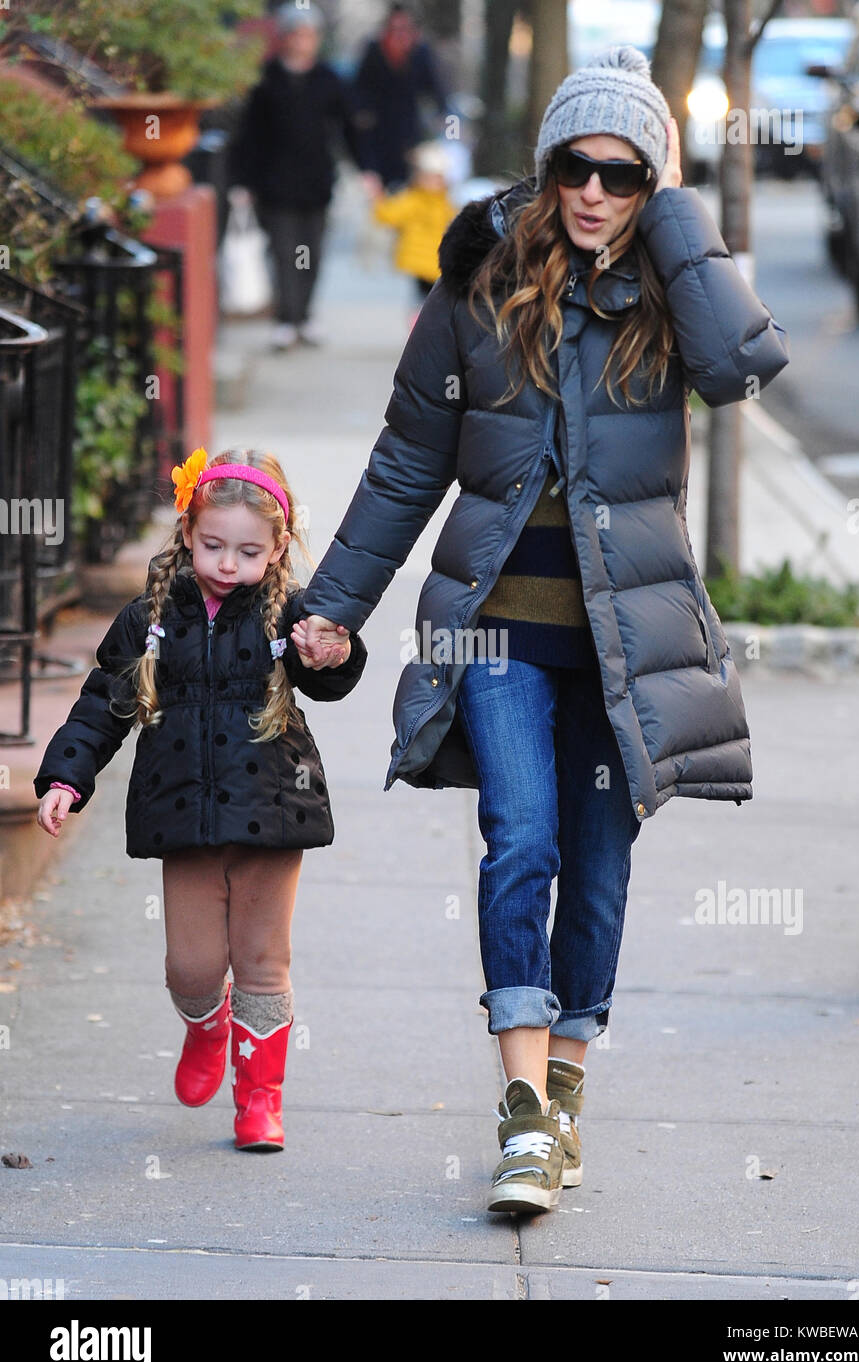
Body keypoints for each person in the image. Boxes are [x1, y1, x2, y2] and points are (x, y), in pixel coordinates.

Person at [293, 46, 790, 1215]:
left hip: (626, 638)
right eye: (576, 165)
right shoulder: (475, 288)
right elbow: (409, 459)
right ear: (546, 164)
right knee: (519, 839)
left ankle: (565, 1092)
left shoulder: (671, 294)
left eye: (624, 176)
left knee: (600, 867)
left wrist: (675, 225)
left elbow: (742, 370)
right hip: (495, 629)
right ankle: (521, 1114)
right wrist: (332, 603)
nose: (593, 193)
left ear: (650, 188)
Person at [34, 448, 366, 1152]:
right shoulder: (150, 618)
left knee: (262, 961)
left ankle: (259, 1100)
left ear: (277, 548)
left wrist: (334, 651)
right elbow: (102, 705)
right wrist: (66, 777)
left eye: (247, 551)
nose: (227, 564)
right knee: (189, 967)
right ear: (187, 533)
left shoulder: (289, 614)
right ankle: (205, 1025)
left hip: (274, 809)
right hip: (180, 811)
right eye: (213, 545)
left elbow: (332, 680)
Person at [228, 2, 365, 349]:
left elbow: (349, 127)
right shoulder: (266, 79)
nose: (301, 41)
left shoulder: (328, 79)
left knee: (311, 253)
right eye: (295, 34)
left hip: (316, 183)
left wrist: (367, 169)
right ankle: (286, 319)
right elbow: (249, 134)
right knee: (284, 252)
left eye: (308, 34)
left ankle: (305, 316)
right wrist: (243, 181)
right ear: (285, 38)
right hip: (274, 185)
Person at [352, 4, 449, 192]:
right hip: (379, 128)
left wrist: (443, 115)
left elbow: (435, 86)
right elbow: (360, 86)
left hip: (409, 127)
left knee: (409, 182)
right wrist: (361, 112)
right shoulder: (374, 49)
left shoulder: (420, 51)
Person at [370, 141, 457, 308]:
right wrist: (378, 199)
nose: (434, 183)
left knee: (434, 303)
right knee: (420, 302)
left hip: (438, 265)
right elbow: (388, 215)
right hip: (417, 265)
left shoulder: (446, 203)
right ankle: (418, 328)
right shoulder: (413, 200)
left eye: (437, 178)